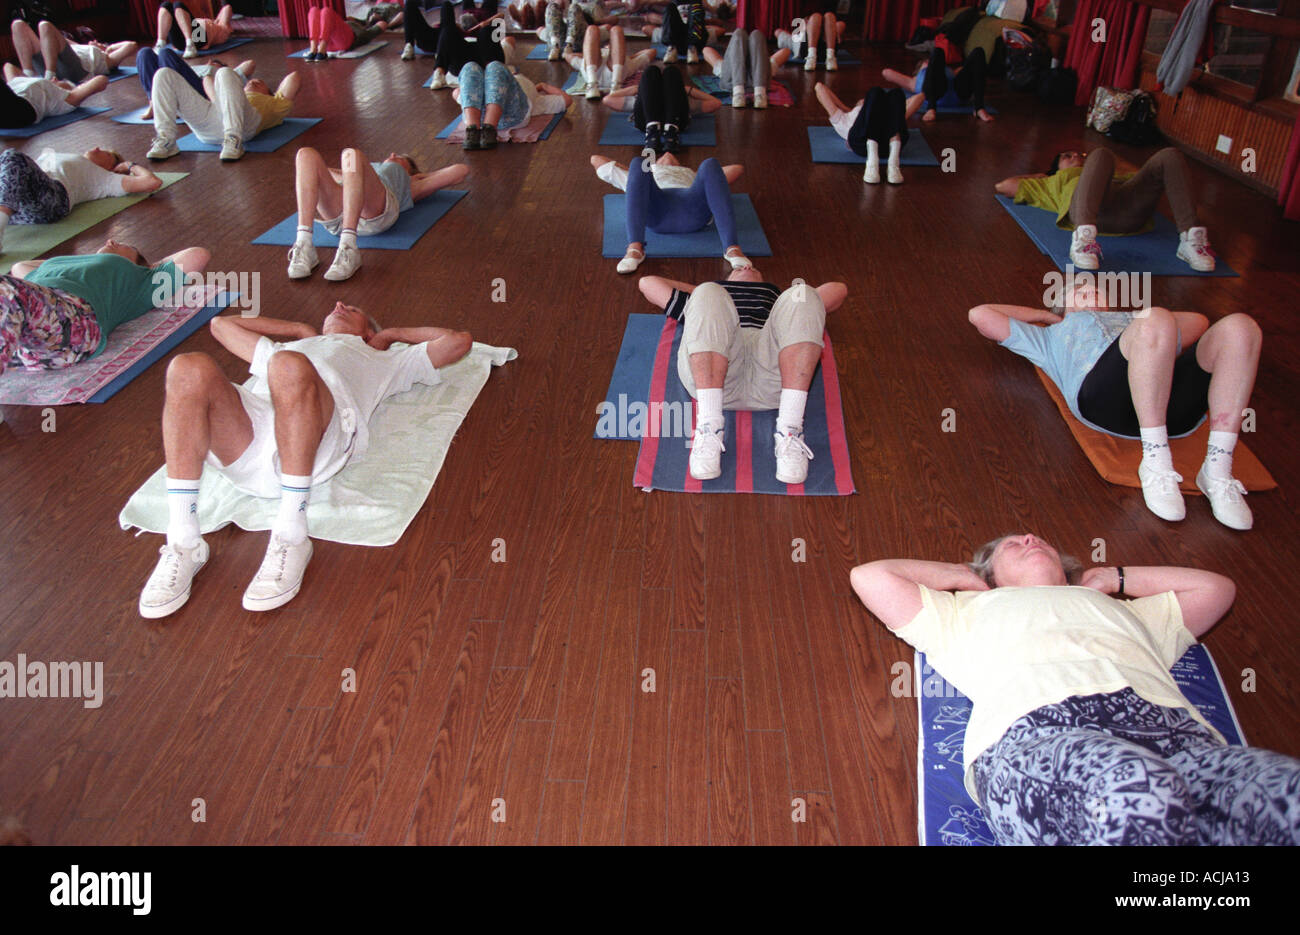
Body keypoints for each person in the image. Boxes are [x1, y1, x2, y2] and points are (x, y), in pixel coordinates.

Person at [850, 535, 1300, 845]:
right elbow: (870, 577)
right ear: (987, 573)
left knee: (1287, 795)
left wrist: (1116, 579)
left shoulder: (1126, 612)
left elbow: (1216, 588)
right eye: (1013, 543)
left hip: (1174, 734)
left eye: (1038, 539)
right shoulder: (964, 609)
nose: (1030, 538)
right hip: (1039, 733)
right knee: (1141, 795)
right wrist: (960, 575)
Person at [136, 304, 474, 618]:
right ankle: (183, 541)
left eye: (352, 309)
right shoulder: (288, 349)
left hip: (318, 447)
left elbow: (459, 342)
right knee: (187, 367)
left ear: (367, 332)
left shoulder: (384, 359)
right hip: (253, 443)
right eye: (337, 306)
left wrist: (391, 335)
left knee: (287, 366)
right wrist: (298, 330)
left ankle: (291, 535)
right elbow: (221, 324)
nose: (339, 306)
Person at [968, 286, 1261, 529]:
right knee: (1155, 318)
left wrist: (1138, 322)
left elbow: (1198, 322)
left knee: (1241, 327)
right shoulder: (1048, 336)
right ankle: (1155, 462)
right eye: (1080, 293)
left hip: (1172, 412)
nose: (1091, 293)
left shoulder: (1140, 324)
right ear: (1063, 307)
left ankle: (1217, 469)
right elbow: (980, 314)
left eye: (1098, 292)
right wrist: (1046, 316)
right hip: (1105, 405)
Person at [637, 269, 845, 483]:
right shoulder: (707, 302)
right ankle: (708, 426)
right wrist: (708, 292)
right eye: (738, 269)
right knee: (708, 292)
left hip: (772, 376)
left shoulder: (780, 303)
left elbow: (838, 290)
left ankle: (790, 430)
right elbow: (647, 283)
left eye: (753, 268)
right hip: (718, 374)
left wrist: (791, 300)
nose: (746, 266)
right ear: (727, 280)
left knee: (802, 294)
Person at [2, 239, 209, 376]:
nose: (112, 240)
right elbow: (20, 266)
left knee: (7, 290)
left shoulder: (140, 279)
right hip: (31, 341)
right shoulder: (59, 268)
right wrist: (86, 261)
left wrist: (151, 268)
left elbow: (198, 255)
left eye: (124, 245)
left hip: (75, 327)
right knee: (8, 290)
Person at [995, 147, 1216, 273]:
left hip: (1128, 213)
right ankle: (1084, 240)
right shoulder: (1052, 181)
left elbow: (1152, 183)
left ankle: (1191, 239)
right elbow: (1003, 186)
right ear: (1056, 168)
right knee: (1102, 153)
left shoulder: (1111, 173)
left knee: (1169, 155)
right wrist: (1044, 175)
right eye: (1066, 156)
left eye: (1079, 155)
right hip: (1090, 213)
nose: (1076, 157)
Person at [287, 147, 470, 281]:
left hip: (374, 214)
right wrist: (345, 174)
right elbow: (323, 172)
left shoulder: (411, 183)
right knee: (305, 155)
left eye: (398, 157)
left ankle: (349, 248)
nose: (391, 155)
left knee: (351, 154)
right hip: (341, 213)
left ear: (410, 170)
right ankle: (304, 244)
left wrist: (422, 176)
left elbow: (460, 171)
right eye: (390, 155)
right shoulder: (358, 170)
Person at [592, 151, 750, 274]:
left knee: (710, 164)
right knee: (639, 163)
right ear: (656, 164)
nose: (667, 156)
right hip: (658, 210)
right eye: (661, 158)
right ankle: (635, 249)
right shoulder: (640, 179)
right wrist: (633, 173)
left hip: (692, 207)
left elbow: (736, 169)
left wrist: (703, 175)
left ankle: (732, 249)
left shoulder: (693, 175)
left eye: (672, 158)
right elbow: (595, 159)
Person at [0, 147, 161, 251]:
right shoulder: (66, 158)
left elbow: (152, 182)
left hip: (51, 201)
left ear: (112, 167)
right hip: (20, 207)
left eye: (106, 154)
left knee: (12, 155)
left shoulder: (104, 177)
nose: (97, 148)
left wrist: (130, 166)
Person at [145, 63, 300, 163]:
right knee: (163, 73)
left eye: (260, 83)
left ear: (268, 93)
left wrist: (276, 92)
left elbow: (294, 78)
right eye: (250, 81)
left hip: (244, 124)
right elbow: (209, 82)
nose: (253, 81)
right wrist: (214, 72)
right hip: (211, 122)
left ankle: (233, 140)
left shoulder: (274, 104)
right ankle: (166, 140)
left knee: (225, 72)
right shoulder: (232, 91)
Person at [602, 63, 721, 154]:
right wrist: (687, 90)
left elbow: (608, 99)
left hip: (668, 121)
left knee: (668, 71)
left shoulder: (678, 100)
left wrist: (638, 88)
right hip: (668, 121)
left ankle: (661, 131)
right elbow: (715, 102)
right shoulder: (682, 101)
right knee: (656, 71)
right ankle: (662, 131)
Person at [814, 81, 919, 184]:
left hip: (888, 147)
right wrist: (845, 109)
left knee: (897, 93)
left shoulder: (889, 115)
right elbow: (819, 87)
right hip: (862, 144)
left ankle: (893, 165)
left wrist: (893, 109)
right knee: (875, 91)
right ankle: (871, 165)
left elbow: (920, 97)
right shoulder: (844, 117)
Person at [453, 60, 569, 149]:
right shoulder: (534, 95)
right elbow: (566, 100)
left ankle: (475, 130)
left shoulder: (535, 99)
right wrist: (543, 86)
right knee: (474, 66)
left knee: (480, 67)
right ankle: (480, 130)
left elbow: (457, 93)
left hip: (500, 115)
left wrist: (542, 86)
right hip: (494, 115)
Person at [882, 45, 992, 124]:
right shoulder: (914, 81)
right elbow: (887, 73)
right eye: (925, 63)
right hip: (936, 95)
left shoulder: (949, 71)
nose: (927, 62)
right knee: (937, 51)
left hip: (958, 92)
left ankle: (979, 108)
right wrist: (925, 67)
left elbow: (971, 71)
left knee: (978, 51)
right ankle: (931, 108)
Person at [9, 19, 137, 80]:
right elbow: (51, 36)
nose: (95, 41)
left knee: (45, 25)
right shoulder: (77, 46)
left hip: (75, 70)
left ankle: (50, 76)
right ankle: (28, 75)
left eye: (98, 42)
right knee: (18, 25)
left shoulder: (107, 59)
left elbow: (132, 45)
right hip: (54, 60)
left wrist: (108, 48)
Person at [701, 26, 788, 108]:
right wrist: (765, 62)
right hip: (760, 82)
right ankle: (760, 95)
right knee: (757, 35)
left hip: (733, 81)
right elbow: (786, 51)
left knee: (739, 33)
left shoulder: (724, 68)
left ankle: (738, 93)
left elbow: (706, 50)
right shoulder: (766, 68)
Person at [565, 23, 655, 101]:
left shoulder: (626, 59)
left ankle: (615, 85)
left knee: (615, 30)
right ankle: (595, 86)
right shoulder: (626, 60)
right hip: (594, 72)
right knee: (592, 29)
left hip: (614, 72)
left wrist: (625, 56)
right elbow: (650, 52)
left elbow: (568, 55)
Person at [1, 67, 108, 126]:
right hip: (10, 103)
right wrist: (29, 78)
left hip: (22, 111)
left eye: (61, 82)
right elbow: (8, 66)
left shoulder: (65, 99)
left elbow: (101, 80)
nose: (55, 79)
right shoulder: (26, 82)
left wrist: (79, 88)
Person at [303, 1, 395, 61]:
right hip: (329, 38)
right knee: (314, 10)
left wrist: (374, 24)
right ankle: (314, 49)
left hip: (345, 41)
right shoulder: (359, 21)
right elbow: (349, 18)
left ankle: (320, 50)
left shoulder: (365, 32)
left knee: (326, 11)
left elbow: (382, 24)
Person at [155, 2, 235, 59]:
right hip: (180, 42)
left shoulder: (224, 28)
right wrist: (215, 20)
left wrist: (217, 21)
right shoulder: (214, 23)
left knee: (178, 5)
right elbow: (222, 12)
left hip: (198, 40)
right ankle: (160, 43)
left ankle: (190, 44)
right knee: (166, 5)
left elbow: (227, 8)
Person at [543, 0, 617, 62]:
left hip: (581, 34)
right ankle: (555, 46)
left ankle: (569, 45)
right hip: (561, 35)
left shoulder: (598, 4)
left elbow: (612, 21)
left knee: (574, 7)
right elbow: (540, 30)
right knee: (552, 6)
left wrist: (598, 22)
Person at [776, 6, 842, 72]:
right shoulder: (795, 38)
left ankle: (830, 57)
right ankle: (811, 56)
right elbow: (777, 32)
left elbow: (841, 24)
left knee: (829, 16)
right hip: (806, 51)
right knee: (817, 16)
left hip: (828, 50)